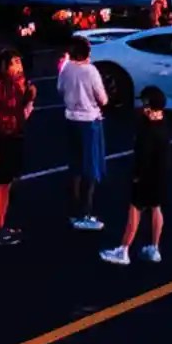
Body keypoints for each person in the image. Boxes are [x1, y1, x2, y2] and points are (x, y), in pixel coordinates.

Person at [101, 87, 170, 265]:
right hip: (160, 175)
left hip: (144, 177)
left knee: (134, 210)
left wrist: (136, 176)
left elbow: (142, 156)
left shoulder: (146, 130)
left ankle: (123, 250)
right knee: (156, 208)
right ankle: (154, 248)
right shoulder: (163, 125)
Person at [0, 49, 37, 244]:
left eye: (20, 62)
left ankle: (2, 224)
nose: (19, 66)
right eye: (15, 62)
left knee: (7, 184)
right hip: (0, 139)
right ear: (6, 66)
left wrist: (30, 99)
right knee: (0, 185)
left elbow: (21, 117)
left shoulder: (18, 88)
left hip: (15, 138)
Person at [58, 35, 109, 231]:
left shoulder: (66, 68)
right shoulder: (90, 71)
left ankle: (73, 209)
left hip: (71, 119)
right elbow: (103, 99)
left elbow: (60, 89)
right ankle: (85, 213)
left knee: (75, 166)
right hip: (89, 122)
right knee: (91, 167)